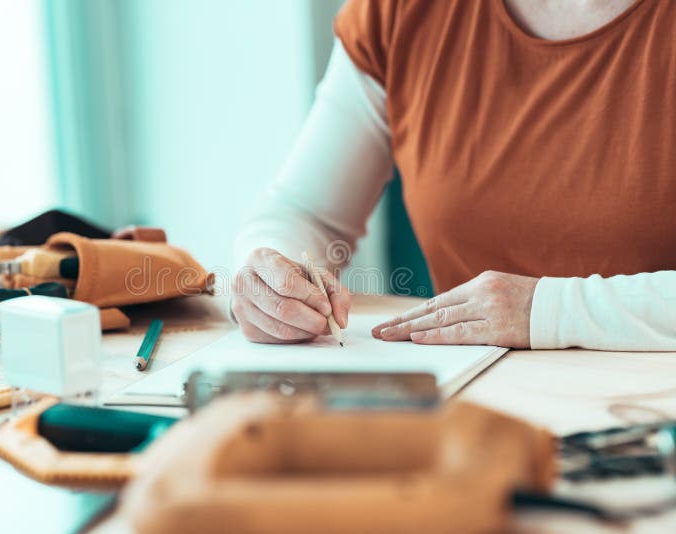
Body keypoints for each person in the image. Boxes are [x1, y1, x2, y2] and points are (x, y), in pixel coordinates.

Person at [232, 0, 676, 351]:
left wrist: (543, 311)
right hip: (469, 405)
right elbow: (307, 214)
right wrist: (270, 279)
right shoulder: (402, 12)